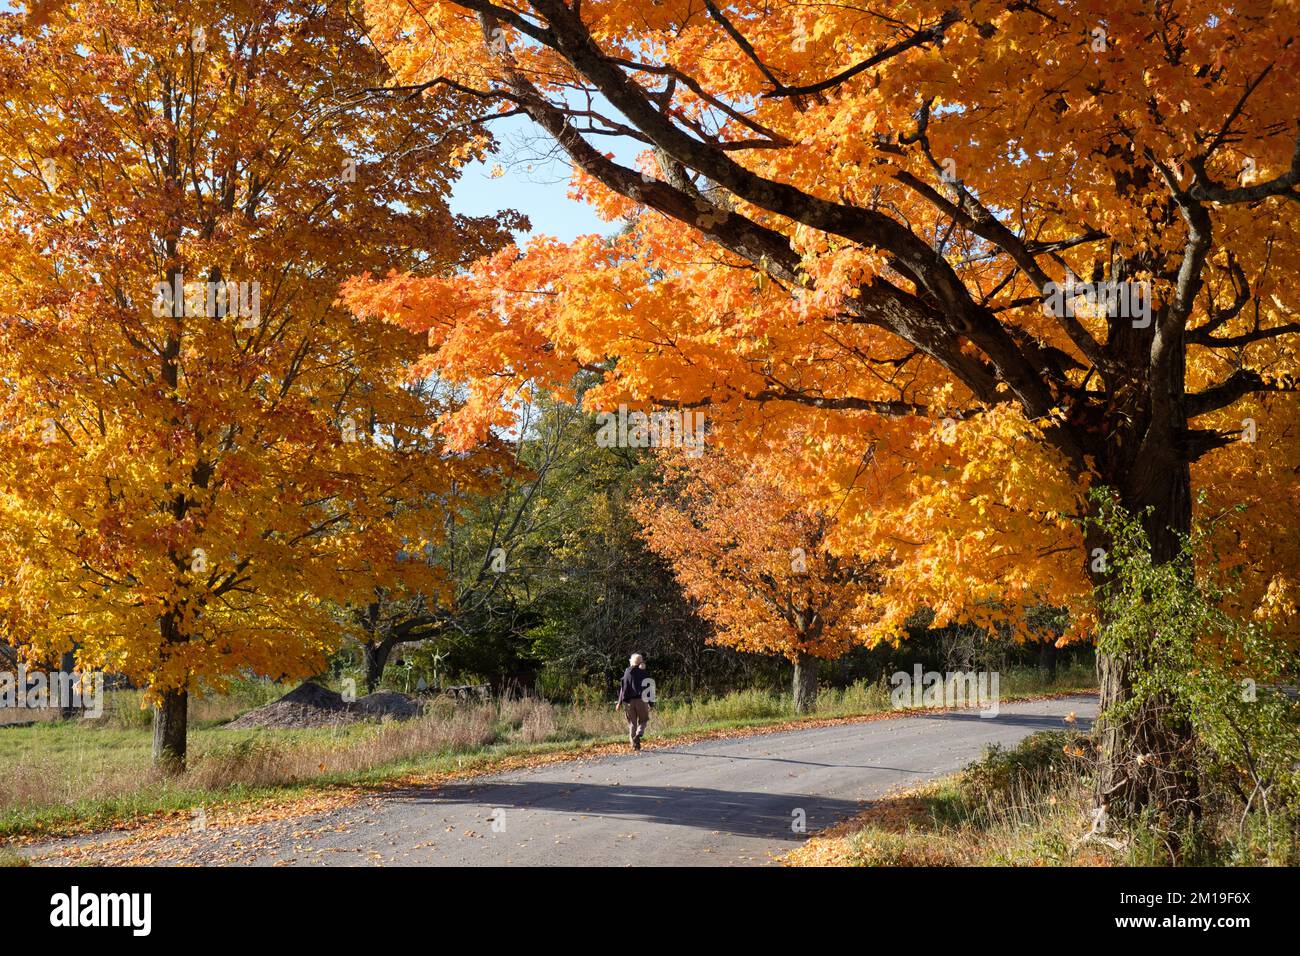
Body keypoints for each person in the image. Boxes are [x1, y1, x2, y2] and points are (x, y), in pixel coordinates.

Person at [615, 653, 652, 750]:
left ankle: (634, 745)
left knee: (632, 723)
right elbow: (649, 686)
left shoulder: (627, 672)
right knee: (644, 720)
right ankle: (639, 734)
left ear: (632, 661)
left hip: (629, 702)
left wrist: (619, 703)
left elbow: (623, 688)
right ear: (641, 662)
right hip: (641, 700)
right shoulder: (643, 672)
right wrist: (651, 703)